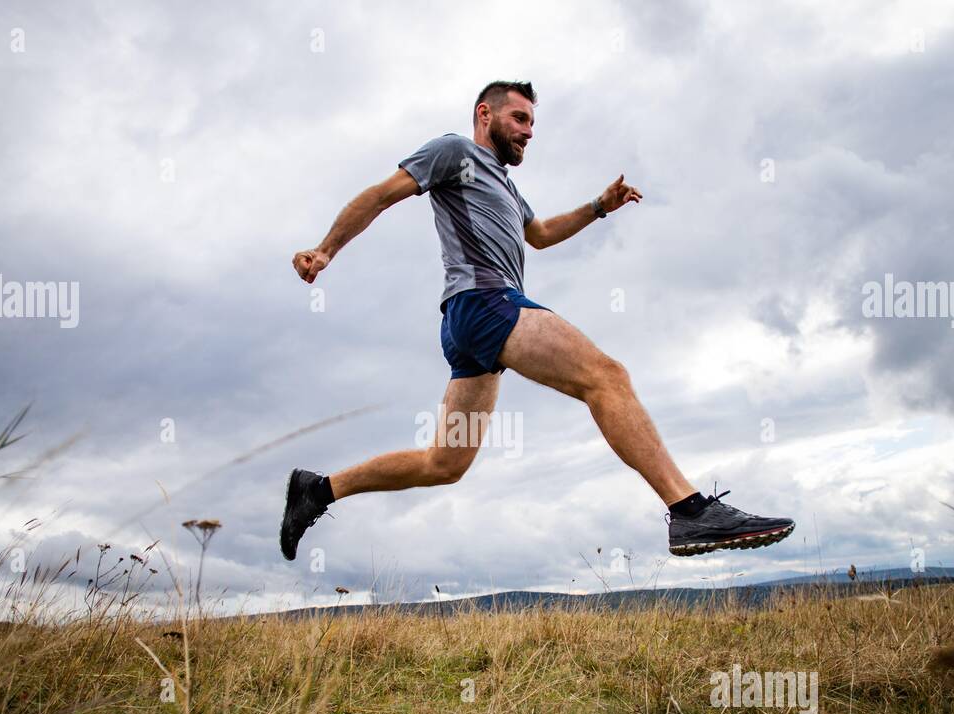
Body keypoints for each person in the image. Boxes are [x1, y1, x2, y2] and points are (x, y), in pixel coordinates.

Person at [284, 80, 793, 561]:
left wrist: (598, 207)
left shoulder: (506, 187)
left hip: (469, 326)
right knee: (606, 376)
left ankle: (318, 489)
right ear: (485, 114)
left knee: (444, 464)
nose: (529, 131)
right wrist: (326, 250)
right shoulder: (454, 151)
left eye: (532, 123)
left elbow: (542, 233)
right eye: (519, 118)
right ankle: (690, 511)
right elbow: (381, 194)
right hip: (485, 303)